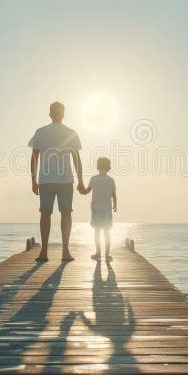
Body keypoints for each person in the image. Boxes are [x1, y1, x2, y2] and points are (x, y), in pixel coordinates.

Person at [29, 101, 84, 262]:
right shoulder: (71, 132)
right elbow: (77, 159)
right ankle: (65, 252)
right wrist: (80, 180)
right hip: (65, 179)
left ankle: (44, 251)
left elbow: (34, 157)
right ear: (63, 114)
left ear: (50, 114)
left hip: (46, 180)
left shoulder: (40, 132)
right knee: (66, 213)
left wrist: (33, 179)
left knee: (45, 214)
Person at [80, 156, 117, 261]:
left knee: (97, 231)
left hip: (96, 208)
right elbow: (113, 194)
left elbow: (86, 192)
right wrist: (115, 204)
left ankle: (98, 252)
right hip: (106, 209)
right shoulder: (111, 180)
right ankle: (107, 254)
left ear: (98, 166)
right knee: (107, 231)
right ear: (108, 167)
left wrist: (81, 190)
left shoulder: (94, 179)